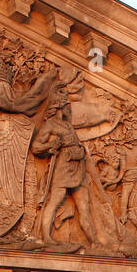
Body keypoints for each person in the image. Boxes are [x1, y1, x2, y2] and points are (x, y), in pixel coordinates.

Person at [33, 99, 95, 244]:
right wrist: (51, 144)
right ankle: (46, 237)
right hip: (63, 165)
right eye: (68, 107)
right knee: (56, 199)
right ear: (60, 107)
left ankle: (94, 241)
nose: (70, 110)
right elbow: (36, 147)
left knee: (84, 205)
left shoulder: (68, 125)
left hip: (78, 165)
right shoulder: (50, 125)